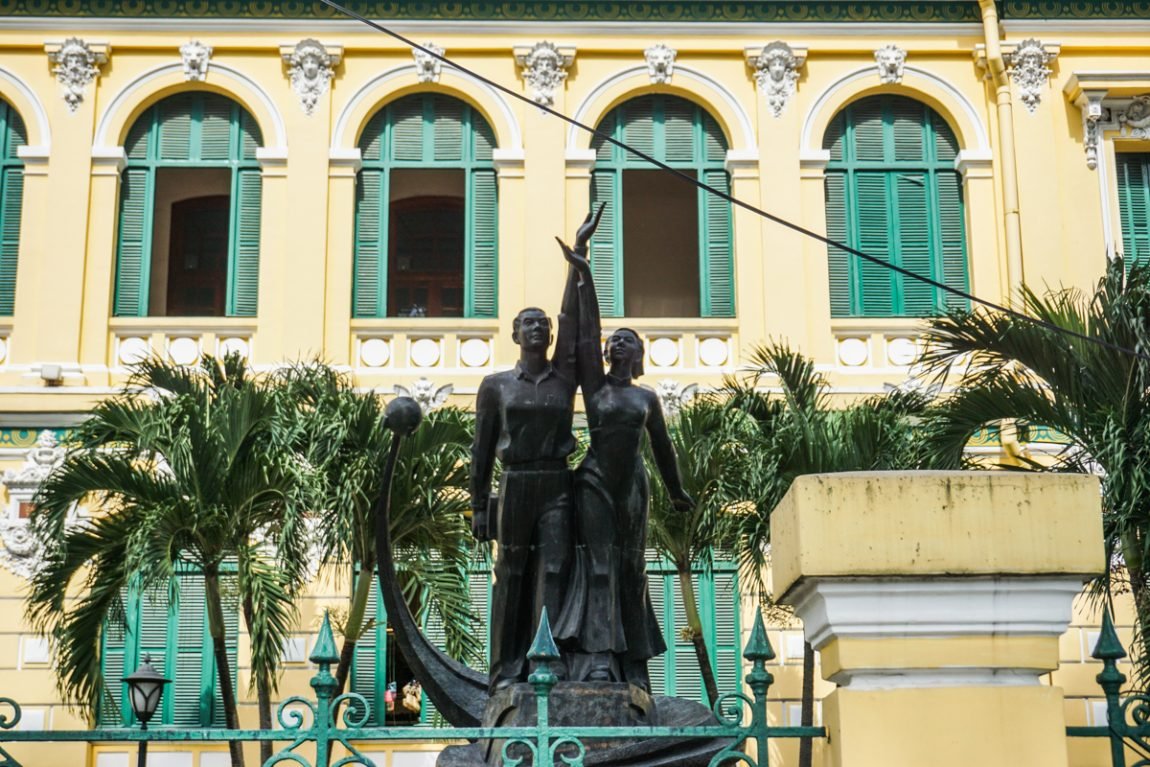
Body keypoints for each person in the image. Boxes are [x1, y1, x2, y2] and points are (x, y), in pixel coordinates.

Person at [553, 209, 694, 691]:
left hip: (632, 485)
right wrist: (582, 265)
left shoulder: (645, 397)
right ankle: (596, 659)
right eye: (615, 340)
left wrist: (676, 492)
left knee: (631, 571)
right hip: (594, 482)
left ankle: (634, 664)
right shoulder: (595, 389)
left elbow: (663, 449)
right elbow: (586, 331)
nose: (616, 343)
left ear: (637, 354)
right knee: (597, 566)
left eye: (625, 340)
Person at [469, 220, 598, 693]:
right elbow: (481, 450)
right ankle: (505, 669)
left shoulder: (564, 377)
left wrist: (578, 261)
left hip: (556, 483)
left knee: (555, 570)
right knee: (511, 574)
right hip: (517, 483)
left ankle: (551, 660)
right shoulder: (496, 386)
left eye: (542, 324)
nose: (539, 328)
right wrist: (479, 505)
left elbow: (574, 322)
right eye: (530, 323)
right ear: (515, 333)